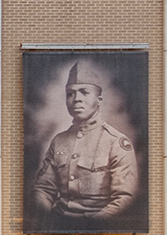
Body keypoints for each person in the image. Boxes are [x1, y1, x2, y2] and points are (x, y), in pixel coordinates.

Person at [31, 59, 139, 226]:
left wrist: (88, 224)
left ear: (99, 100)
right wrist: (49, 215)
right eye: (70, 94)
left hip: (99, 227)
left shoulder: (116, 142)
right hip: (58, 225)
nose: (76, 99)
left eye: (84, 92)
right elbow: (44, 189)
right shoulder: (59, 141)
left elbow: (124, 197)